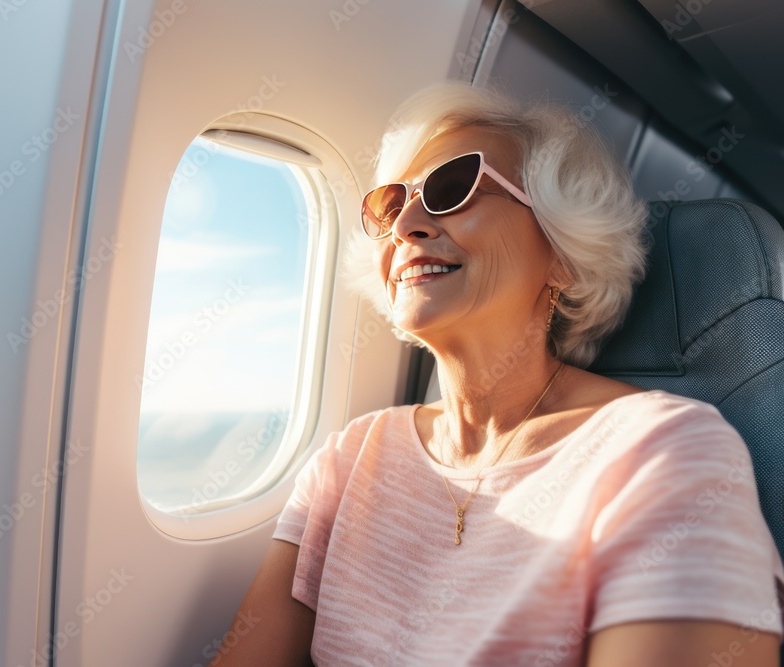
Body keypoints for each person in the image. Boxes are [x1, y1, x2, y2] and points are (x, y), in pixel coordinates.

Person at [210, 81, 784, 666]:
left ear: (562, 250)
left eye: (453, 187)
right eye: (390, 204)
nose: (406, 222)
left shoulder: (663, 452)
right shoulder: (349, 459)